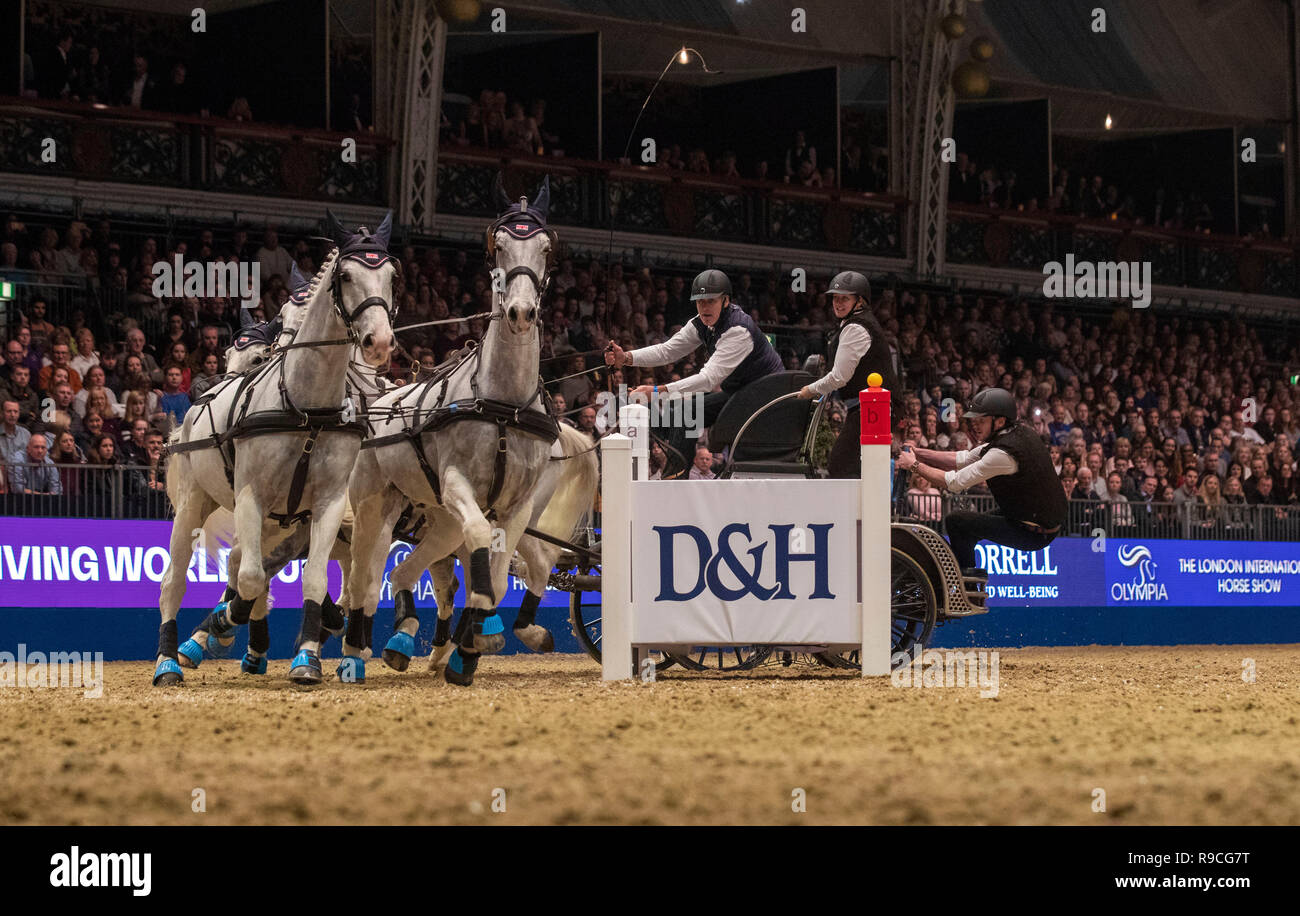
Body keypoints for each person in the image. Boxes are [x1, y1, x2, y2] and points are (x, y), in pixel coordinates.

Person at [604, 269, 783, 472]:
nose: (704, 307)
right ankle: (675, 476)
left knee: (686, 412)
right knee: (679, 414)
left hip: (766, 397)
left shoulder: (737, 330)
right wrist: (626, 358)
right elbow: (667, 351)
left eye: (710, 301)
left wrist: (655, 391)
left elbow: (707, 379)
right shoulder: (702, 323)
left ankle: (674, 480)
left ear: (725, 301)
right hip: (741, 392)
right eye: (700, 302)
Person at [895, 388, 1066, 586]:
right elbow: (963, 458)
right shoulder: (1015, 432)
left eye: (981, 420)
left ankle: (966, 587)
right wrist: (919, 452)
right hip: (1027, 516)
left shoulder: (1003, 453)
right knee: (964, 525)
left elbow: (954, 482)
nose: (975, 426)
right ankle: (966, 576)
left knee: (957, 522)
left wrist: (914, 465)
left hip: (1033, 532)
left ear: (999, 421)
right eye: (974, 420)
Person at [797, 271, 902, 478]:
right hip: (871, 404)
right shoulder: (853, 324)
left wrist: (810, 389)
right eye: (835, 298)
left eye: (845, 298)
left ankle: (858, 510)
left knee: (841, 464)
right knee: (857, 465)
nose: (838, 303)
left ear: (860, 301)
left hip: (876, 405)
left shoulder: (856, 328)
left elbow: (839, 377)